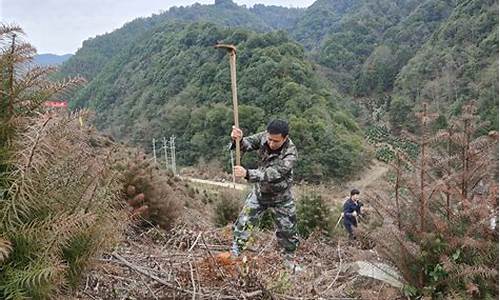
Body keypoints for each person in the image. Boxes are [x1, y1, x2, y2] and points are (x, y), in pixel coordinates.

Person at [229, 119, 300, 270]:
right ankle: (235, 252)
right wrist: (238, 139)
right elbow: (246, 145)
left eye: (276, 141)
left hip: (281, 197)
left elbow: (273, 173)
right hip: (260, 193)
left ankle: (288, 261)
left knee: (288, 231)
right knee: (244, 221)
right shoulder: (264, 137)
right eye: (269, 139)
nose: (271, 143)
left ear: (285, 138)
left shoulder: (291, 153)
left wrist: (247, 173)